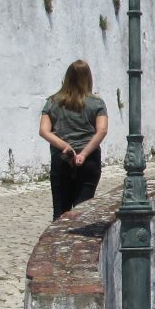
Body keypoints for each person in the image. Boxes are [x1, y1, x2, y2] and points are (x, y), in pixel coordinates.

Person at [39, 60, 108, 219]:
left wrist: (65, 147)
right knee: (82, 212)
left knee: (60, 212)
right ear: (88, 78)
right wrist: (83, 154)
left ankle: (57, 243)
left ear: (67, 77)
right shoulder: (96, 103)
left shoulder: (53, 102)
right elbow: (102, 130)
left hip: (62, 159)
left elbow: (44, 130)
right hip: (89, 160)